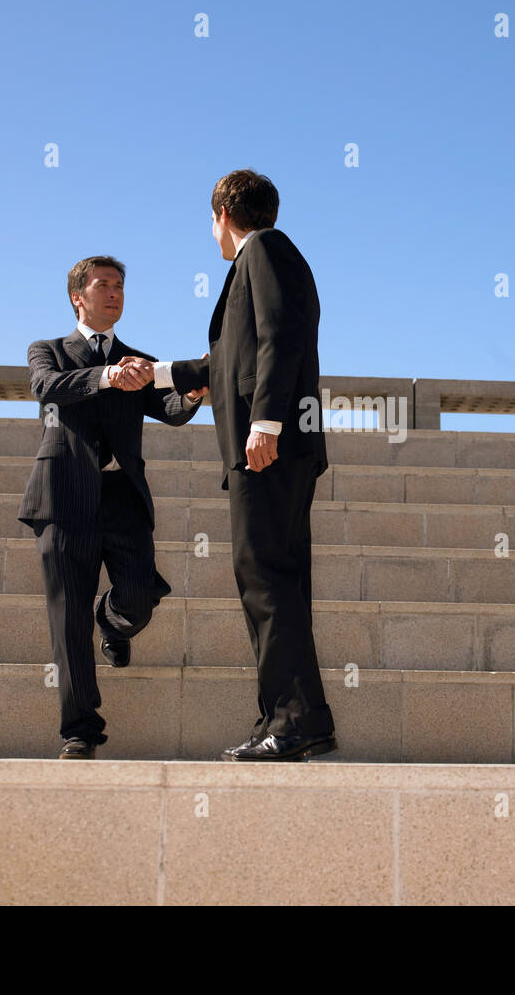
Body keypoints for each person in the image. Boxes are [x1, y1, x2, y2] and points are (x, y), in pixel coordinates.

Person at [156, 169, 337, 761]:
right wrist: (156, 376)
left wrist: (265, 423)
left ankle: (290, 722)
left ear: (223, 216)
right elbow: (225, 360)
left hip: (268, 448)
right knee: (276, 579)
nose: (212, 233)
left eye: (211, 222)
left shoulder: (263, 249)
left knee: (264, 578)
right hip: (275, 446)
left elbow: (283, 333)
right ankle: (297, 715)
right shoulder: (261, 263)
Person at [18, 256, 204, 759]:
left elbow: (169, 410)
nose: (115, 293)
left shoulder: (139, 360)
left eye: (120, 285)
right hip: (62, 498)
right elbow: (45, 387)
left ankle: (113, 621)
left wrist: (191, 394)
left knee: (140, 593)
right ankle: (80, 731)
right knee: (66, 621)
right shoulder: (48, 350)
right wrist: (105, 377)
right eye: (104, 285)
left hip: (122, 497)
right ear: (78, 295)